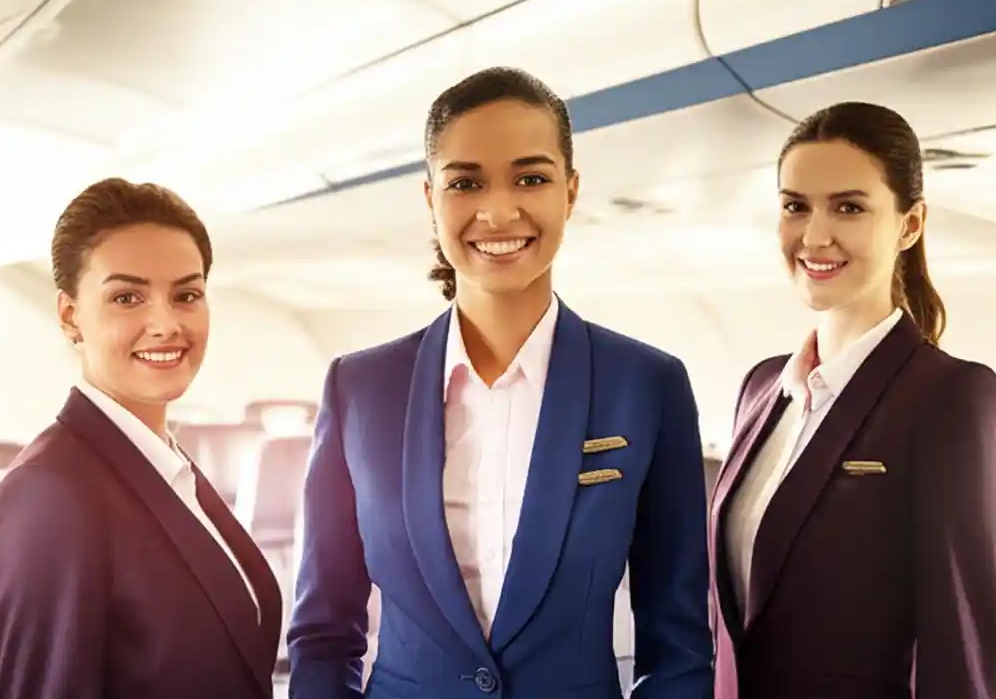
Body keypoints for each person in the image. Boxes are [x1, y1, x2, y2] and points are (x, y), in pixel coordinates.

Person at [287, 67, 714, 698]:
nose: (498, 210)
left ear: (570, 192)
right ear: (430, 198)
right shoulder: (359, 389)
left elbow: (676, 642)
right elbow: (324, 632)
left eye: (531, 178)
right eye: (465, 183)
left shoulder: (647, 386)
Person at [708, 102, 996, 698]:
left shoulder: (949, 398)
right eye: (796, 206)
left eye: (848, 207)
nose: (815, 235)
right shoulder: (761, 387)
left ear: (909, 225)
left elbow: (959, 646)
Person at [0, 178, 283, 699]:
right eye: (127, 297)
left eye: (186, 295)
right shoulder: (50, 492)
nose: (164, 323)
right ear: (70, 316)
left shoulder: (168, 466)